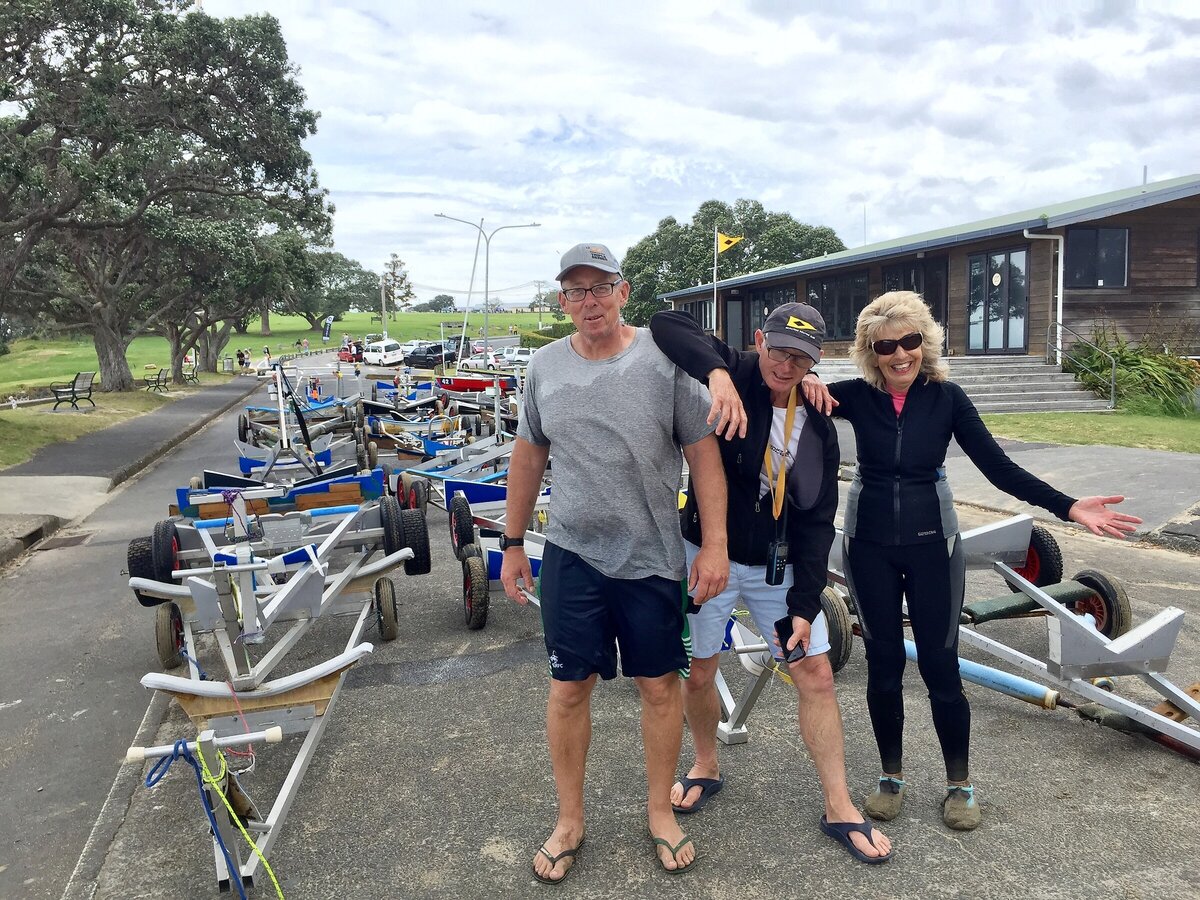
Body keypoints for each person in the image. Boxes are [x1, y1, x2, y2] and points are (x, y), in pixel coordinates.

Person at [801, 290, 1141, 832]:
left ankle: (959, 783)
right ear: (870, 351)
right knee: (884, 668)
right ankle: (891, 777)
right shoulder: (854, 397)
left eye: (910, 341)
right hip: (869, 549)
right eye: (885, 346)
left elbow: (1000, 470)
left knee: (941, 666)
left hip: (935, 546)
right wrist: (806, 382)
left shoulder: (948, 399)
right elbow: (782, 387)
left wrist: (1069, 506)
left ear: (925, 342)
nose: (899, 355)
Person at [501, 243, 730, 883]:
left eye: (600, 288)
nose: (590, 301)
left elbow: (704, 455)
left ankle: (660, 811)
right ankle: (569, 819)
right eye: (576, 291)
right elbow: (529, 454)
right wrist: (513, 543)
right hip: (573, 552)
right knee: (569, 687)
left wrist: (714, 545)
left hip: (654, 555)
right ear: (562, 302)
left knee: (659, 686)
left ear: (622, 292)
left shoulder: (664, 361)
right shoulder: (545, 367)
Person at [650, 304, 894, 864]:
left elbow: (814, 523)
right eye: (779, 349)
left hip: (776, 571)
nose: (786, 364)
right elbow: (667, 323)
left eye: (802, 357)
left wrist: (807, 603)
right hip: (704, 556)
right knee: (701, 668)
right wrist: (715, 374)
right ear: (759, 339)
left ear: (817, 361)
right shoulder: (731, 371)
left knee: (816, 673)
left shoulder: (819, 422)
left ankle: (839, 804)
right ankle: (706, 762)